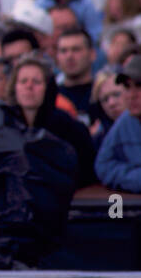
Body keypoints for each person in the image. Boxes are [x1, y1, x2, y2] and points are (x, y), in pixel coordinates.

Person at [8, 55, 97, 188]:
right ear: (14, 87)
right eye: (23, 81)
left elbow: (85, 170)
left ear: (48, 87)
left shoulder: (68, 126)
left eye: (36, 82)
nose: (29, 86)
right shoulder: (4, 123)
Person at [94, 54, 141, 192]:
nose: (132, 95)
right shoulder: (125, 120)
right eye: (127, 87)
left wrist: (130, 178)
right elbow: (103, 167)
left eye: (140, 86)